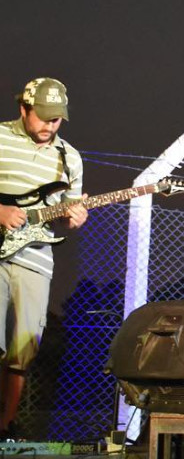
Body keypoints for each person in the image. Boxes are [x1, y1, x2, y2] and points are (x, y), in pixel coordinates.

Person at [0, 78, 87, 437]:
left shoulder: (69, 158)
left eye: (56, 119)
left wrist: (75, 216)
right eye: (44, 117)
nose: (50, 126)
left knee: (25, 345)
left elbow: (68, 212)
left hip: (36, 256)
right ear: (24, 109)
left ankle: (5, 425)